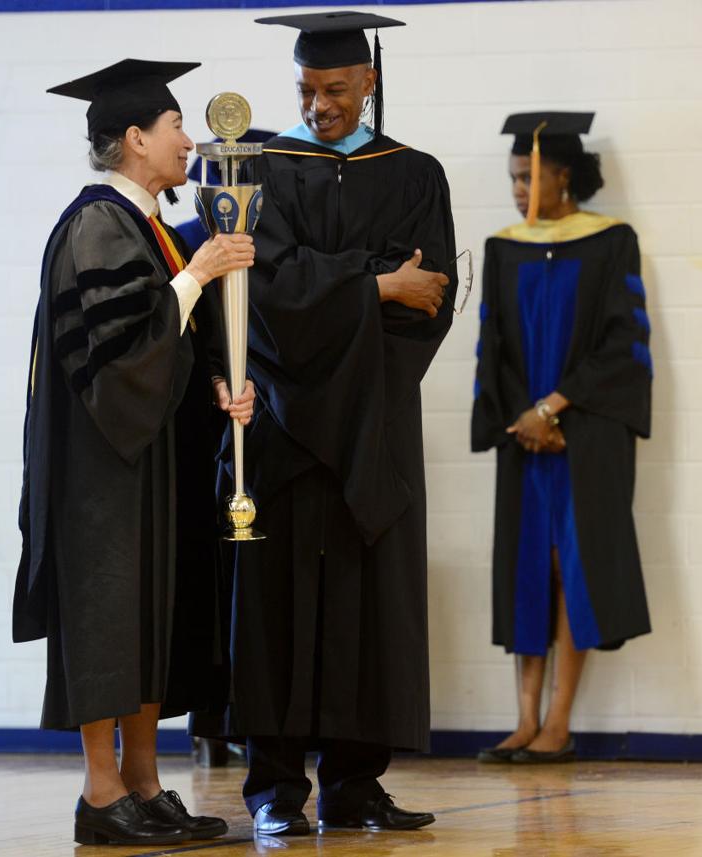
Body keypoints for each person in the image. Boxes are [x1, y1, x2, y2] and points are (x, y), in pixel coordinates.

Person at [190, 11, 456, 837]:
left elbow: (432, 297)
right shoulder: (264, 171)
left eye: (336, 89)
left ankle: (353, 783)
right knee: (273, 607)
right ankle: (275, 789)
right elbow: (262, 290)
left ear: (367, 81)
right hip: (280, 427)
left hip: (371, 423)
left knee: (367, 606)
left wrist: (348, 304)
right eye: (306, 90)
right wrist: (375, 285)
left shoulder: (416, 174)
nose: (319, 106)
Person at [13, 58, 256, 846]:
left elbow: (164, 344)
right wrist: (199, 273)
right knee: (108, 617)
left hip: (142, 460)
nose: (189, 139)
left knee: (151, 614)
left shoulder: (143, 221)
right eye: (176, 125)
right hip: (99, 474)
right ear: (134, 138)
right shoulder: (94, 224)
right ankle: (100, 792)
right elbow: (116, 356)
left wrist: (218, 383)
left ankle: (147, 784)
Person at [470, 112, 653, 764]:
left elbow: (623, 343)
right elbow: (493, 348)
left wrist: (553, 409)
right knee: (525, 569)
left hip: (586, 434)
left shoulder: (611, 242)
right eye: (514, 178)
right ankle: (523, 719)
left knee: (569, 568)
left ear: (563, 174)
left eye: (529, 176)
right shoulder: (503, 247)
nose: (519, 190)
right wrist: (518, 418)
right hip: (525, 437)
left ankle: (559, 722)